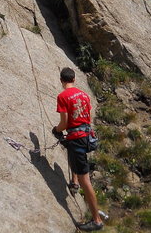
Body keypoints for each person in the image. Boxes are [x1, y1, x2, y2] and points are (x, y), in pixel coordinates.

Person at [53, 67, 103, 231]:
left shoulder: (62, 96)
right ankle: (74, 182)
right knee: (74, 155)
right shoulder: (84, 95)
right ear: (74, 79)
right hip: (87, 136)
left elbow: (65, 123)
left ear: (62, 81)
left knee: (85, 181)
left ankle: (96, 221)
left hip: (77, 139)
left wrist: (57, 130)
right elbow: (86, 116)